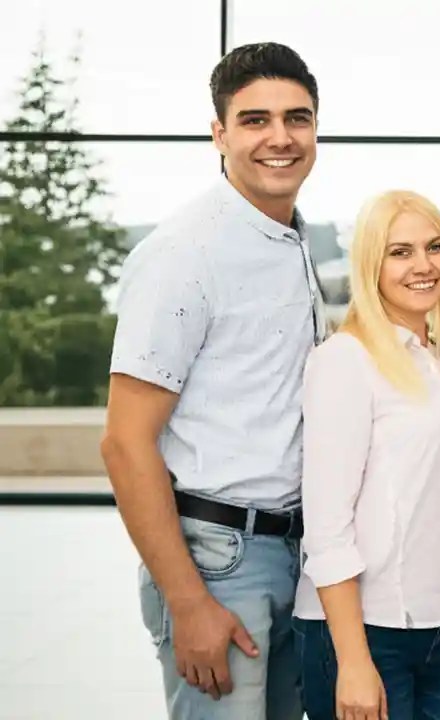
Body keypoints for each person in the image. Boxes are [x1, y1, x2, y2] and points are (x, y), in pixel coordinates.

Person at [101, 43, 324, 719]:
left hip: (293, 551)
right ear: (218, 133)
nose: (280, 138)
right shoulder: (185, 253)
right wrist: (189, 600)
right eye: (255, 120)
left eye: (298, 118)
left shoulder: (288, 239)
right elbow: (124, 443)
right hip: (219, 562)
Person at [292, 190, 440, 720]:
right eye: (400, 252)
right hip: (365, 634)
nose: (423, 266)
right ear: (370, 264)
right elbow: (327, 526)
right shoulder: (345, 362)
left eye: (435, 247)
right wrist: (353, 661)